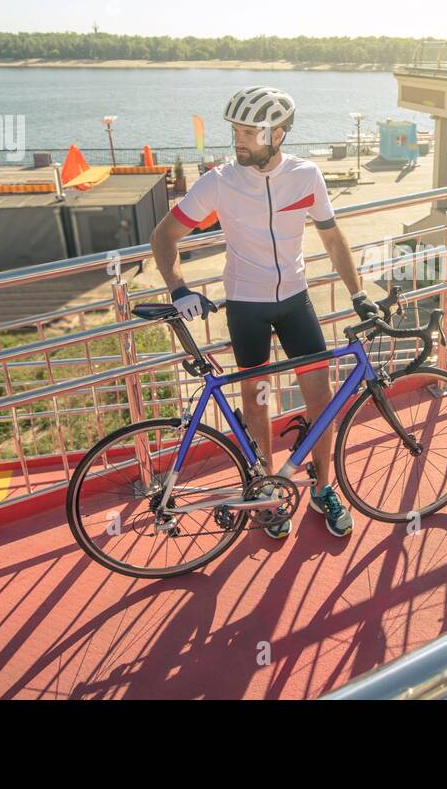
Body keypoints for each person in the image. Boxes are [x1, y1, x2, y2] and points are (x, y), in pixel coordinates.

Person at [150, 86, 378, 540]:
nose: (237, 140)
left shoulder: (306, 175)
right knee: (257, 405)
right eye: (235, 130)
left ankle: (323, 487)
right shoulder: (219, 181)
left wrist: (358, 294)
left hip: (296, 301)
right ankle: (267, 493)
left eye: (247, 132)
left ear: (277, 134)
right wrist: (178, 289)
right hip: (246, 306)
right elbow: (164, 237)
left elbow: (332, 239)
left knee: (323, 402)